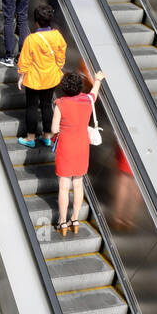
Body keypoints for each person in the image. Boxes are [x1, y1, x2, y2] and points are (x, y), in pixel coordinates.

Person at [51, 69, 106, 232]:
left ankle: (62, 222)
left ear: (64, 88)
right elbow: (94, 92)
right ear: (80, 87)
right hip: (82, 147)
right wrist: (98, 79)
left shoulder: (60, 104)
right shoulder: (87, 100)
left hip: (66, 147)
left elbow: (54, 129)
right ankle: (75, 220)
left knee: (63, 186)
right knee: (78, 184)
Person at [17, 3, 66, 148]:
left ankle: (30, 137)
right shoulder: (57, 36)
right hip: (51, 78)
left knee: (31, 107)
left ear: (36, 21)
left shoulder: (31, 39)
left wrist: (21, 76)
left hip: (33, 79)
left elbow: (24, 61)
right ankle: (47, 136)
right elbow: (61, 56)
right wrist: (57, 67)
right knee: (46, 106)